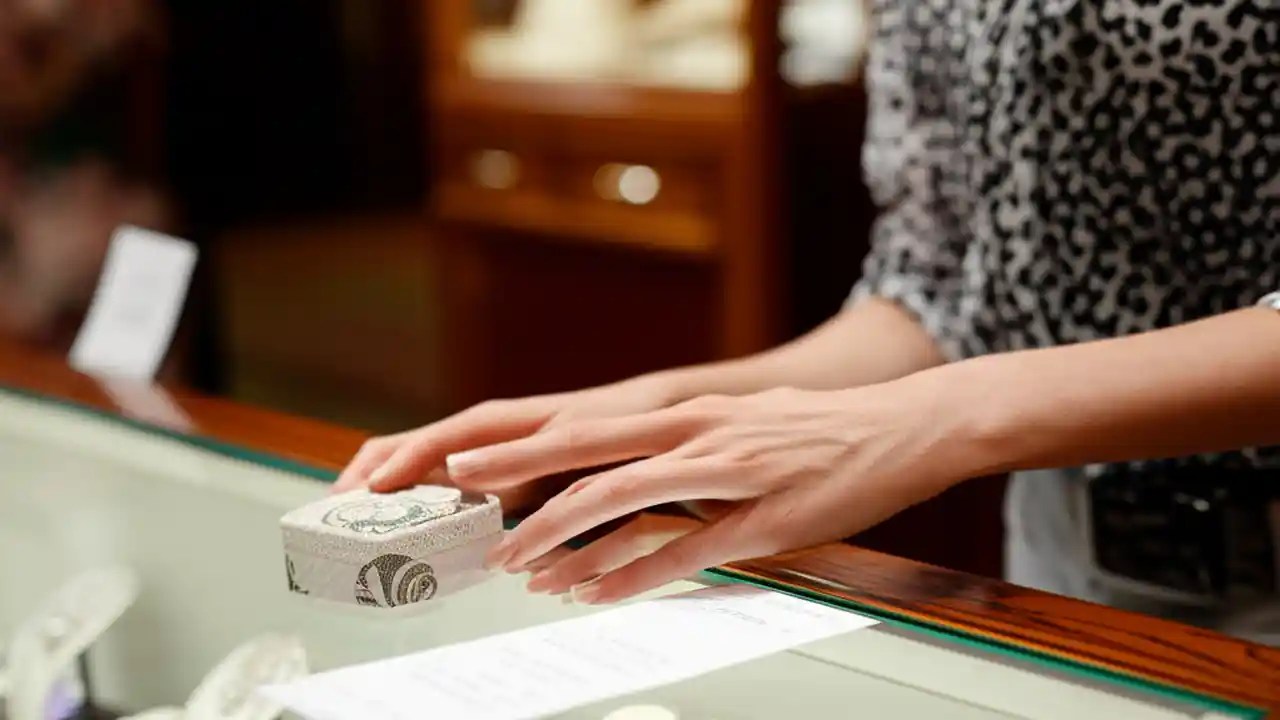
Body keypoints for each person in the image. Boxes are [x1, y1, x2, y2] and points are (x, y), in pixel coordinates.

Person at [336, 1, 1280, 640]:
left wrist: (940, 419)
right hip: (1069, 561)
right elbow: (940, 287)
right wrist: (666, 406)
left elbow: (950, 381)